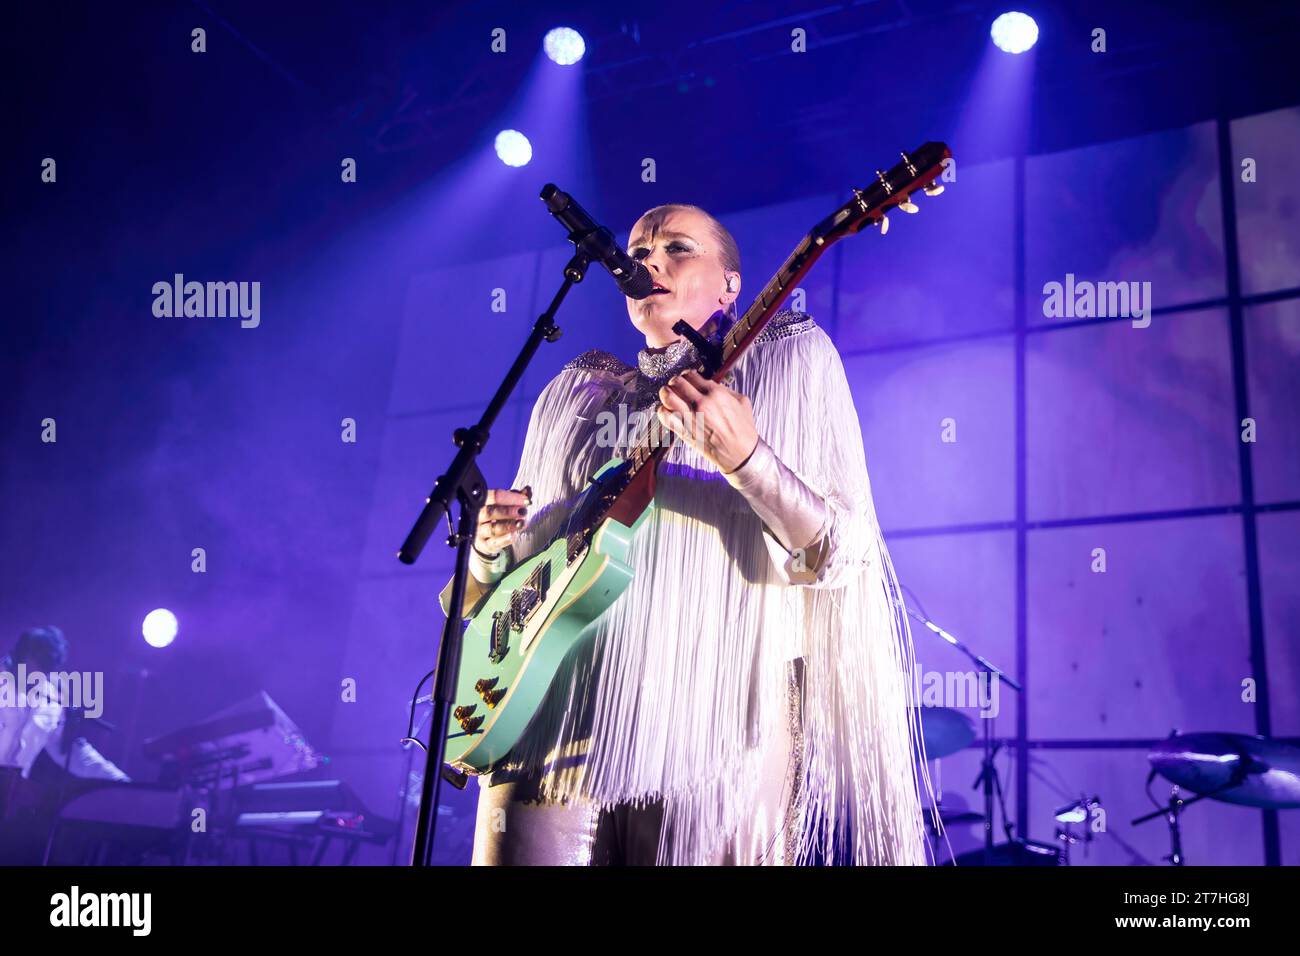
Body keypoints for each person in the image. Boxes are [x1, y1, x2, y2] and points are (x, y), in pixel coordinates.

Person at [442, 204, 934, 865]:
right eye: (640, 248)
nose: (649, 261)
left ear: (732, 285)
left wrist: (749, 460)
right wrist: (486, 549)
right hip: (549, 719)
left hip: (716, 723)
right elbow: (504, 594)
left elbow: (843, 555)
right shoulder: (574, 395)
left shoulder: (789, 359)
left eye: (678, 248)